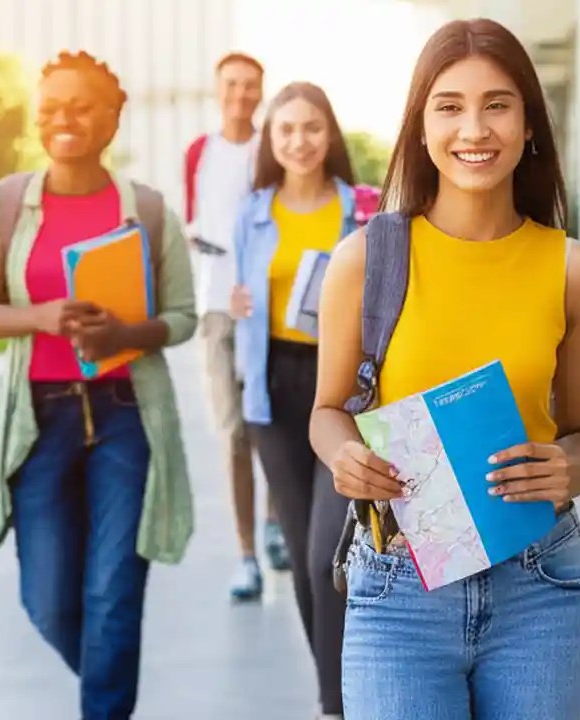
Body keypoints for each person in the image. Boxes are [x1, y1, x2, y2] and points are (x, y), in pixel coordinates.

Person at [310, 18, 580, 720]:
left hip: (541, 582)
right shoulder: (364, 260)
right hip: (401, 588)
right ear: (420, 126)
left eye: (497, 104)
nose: (475, 128)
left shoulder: (574, 271)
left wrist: (571, 468)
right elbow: (327, 413)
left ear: (530, 122)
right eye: (449, 106)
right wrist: (346, 455)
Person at [0, 50, 196, 719]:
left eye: (81, 105)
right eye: (51, 106)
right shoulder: (2, 205)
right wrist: (37, 317)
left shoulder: (147, 210)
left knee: (113, 594)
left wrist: (124, 337)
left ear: (113, 117)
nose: (64, 119)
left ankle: (105, 708)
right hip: (39, 417)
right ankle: (108, 687)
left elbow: (182, 318)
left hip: (126, 415)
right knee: (50, 599)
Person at [229, 80, 377, 720]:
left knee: (324, 558)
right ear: (271, 140)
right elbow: (239, 291)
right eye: (285, 129)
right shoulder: (252, 211)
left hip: (341, 387)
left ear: (331, 134)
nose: (299, 141)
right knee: (297, 548)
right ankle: (334, 701)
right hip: (272, 388)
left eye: (311, 127)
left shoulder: (361, 209)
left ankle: (343, 698)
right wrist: (238, 303)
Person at [182, 51, 290, 603]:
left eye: (251, 85)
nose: (241, 94)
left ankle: (275, 526)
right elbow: (195, 219)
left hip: (265, 307)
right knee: (232, 435)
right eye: (232, 84)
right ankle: (245, 554)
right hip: (216, 308)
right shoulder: (199, 153)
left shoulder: (271, 149)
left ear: (261, 91)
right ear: (217, 88)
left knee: (266, 420)